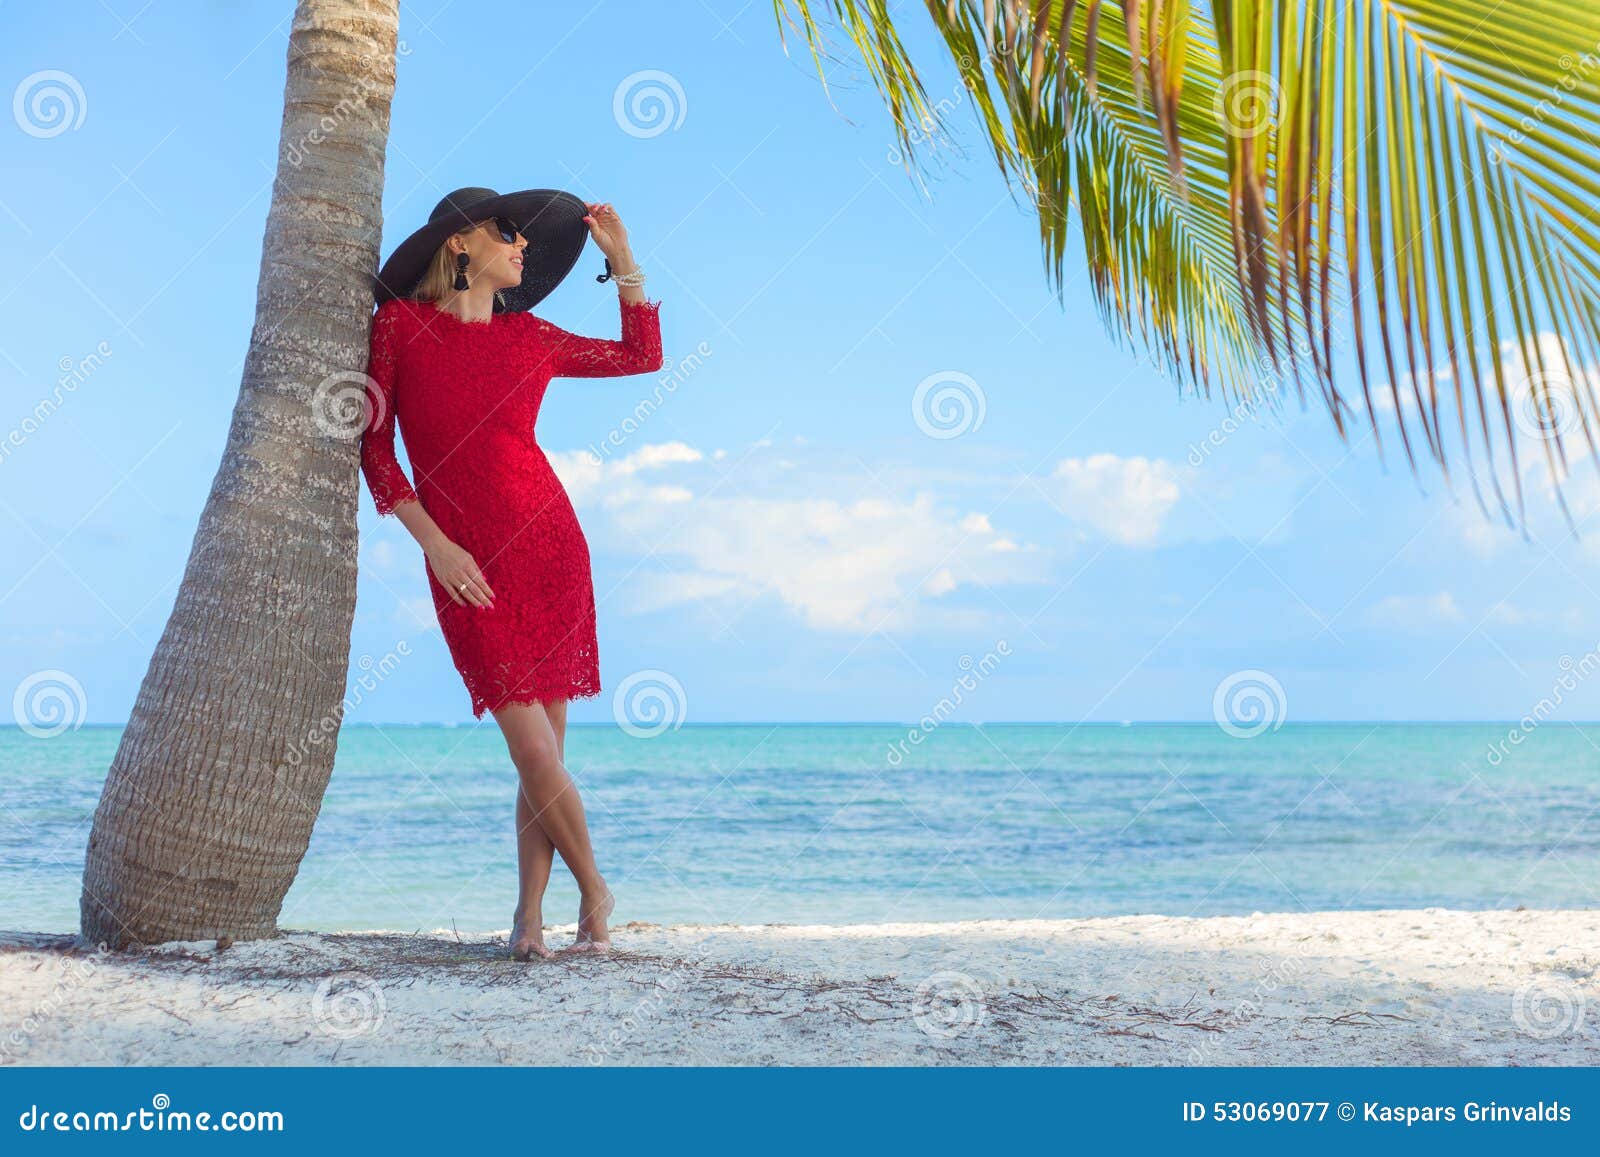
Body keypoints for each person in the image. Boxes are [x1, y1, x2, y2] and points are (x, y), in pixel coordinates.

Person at [360, 186, 663, 959]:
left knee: (544, 758)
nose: (523, 246)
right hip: (465, 561)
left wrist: (623, 261)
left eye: (524, 237)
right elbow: (375, 449)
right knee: (532, 749)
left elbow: (641, 355)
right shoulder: (397, 327)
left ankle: (530, 921)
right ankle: (596, 889)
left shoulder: (531, 336)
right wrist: (435, 544)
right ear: (459, 245)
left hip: (550, 548)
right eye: (507, 233)